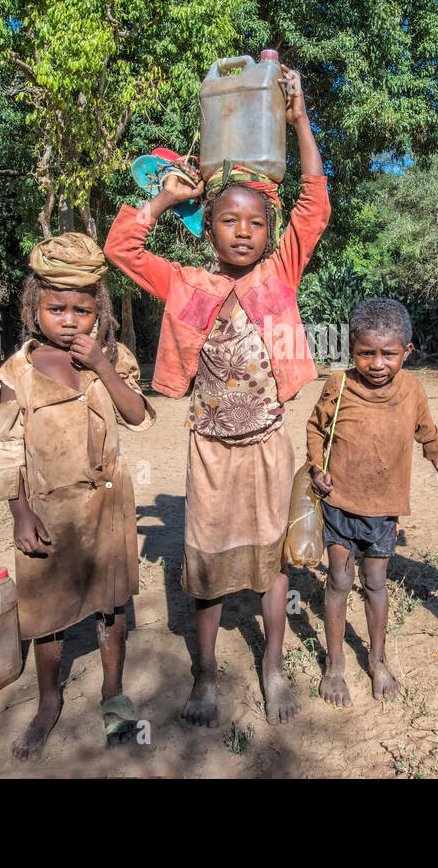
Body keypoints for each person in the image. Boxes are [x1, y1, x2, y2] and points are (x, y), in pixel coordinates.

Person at [104, 65, 328, 726]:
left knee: (271, 567)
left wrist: (299, 120)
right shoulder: (184, 283)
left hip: (266, 446)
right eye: (228, 220)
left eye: (255, 223)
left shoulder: (281, 272)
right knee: (204, 572)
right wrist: (164, 199)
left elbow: (314, 203)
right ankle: (204, 677)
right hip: (208, 450)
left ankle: (274, 668)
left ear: (268, 230)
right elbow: (122, 246)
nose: (242, 232)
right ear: (209, 229)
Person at [0, 232, 155, 758]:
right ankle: (47, 703)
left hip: (108, 504)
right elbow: (6, 447)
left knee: (112, 606)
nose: (69, 320)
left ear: (99, 313)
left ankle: (113, 692)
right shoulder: (17, 372)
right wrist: (19, 512)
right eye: (55, 308)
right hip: (48, 510)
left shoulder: (111, 358)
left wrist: (103, 367)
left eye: (82, 311)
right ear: (32, 309)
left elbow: (137, 416)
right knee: (47, 613)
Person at [307, 297, 438, 705]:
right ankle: (335, 667)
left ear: (407, 351)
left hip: (383, 512)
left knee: (375, 583)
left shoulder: (412, 392)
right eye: (365, 353)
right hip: (339, 504)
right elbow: (316, 429)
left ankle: (378, 660)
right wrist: (318, 468)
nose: (377, 363)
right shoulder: (339, 385)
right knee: (338, 580)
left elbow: (434, 447)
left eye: (388, 354)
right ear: (352, 350)